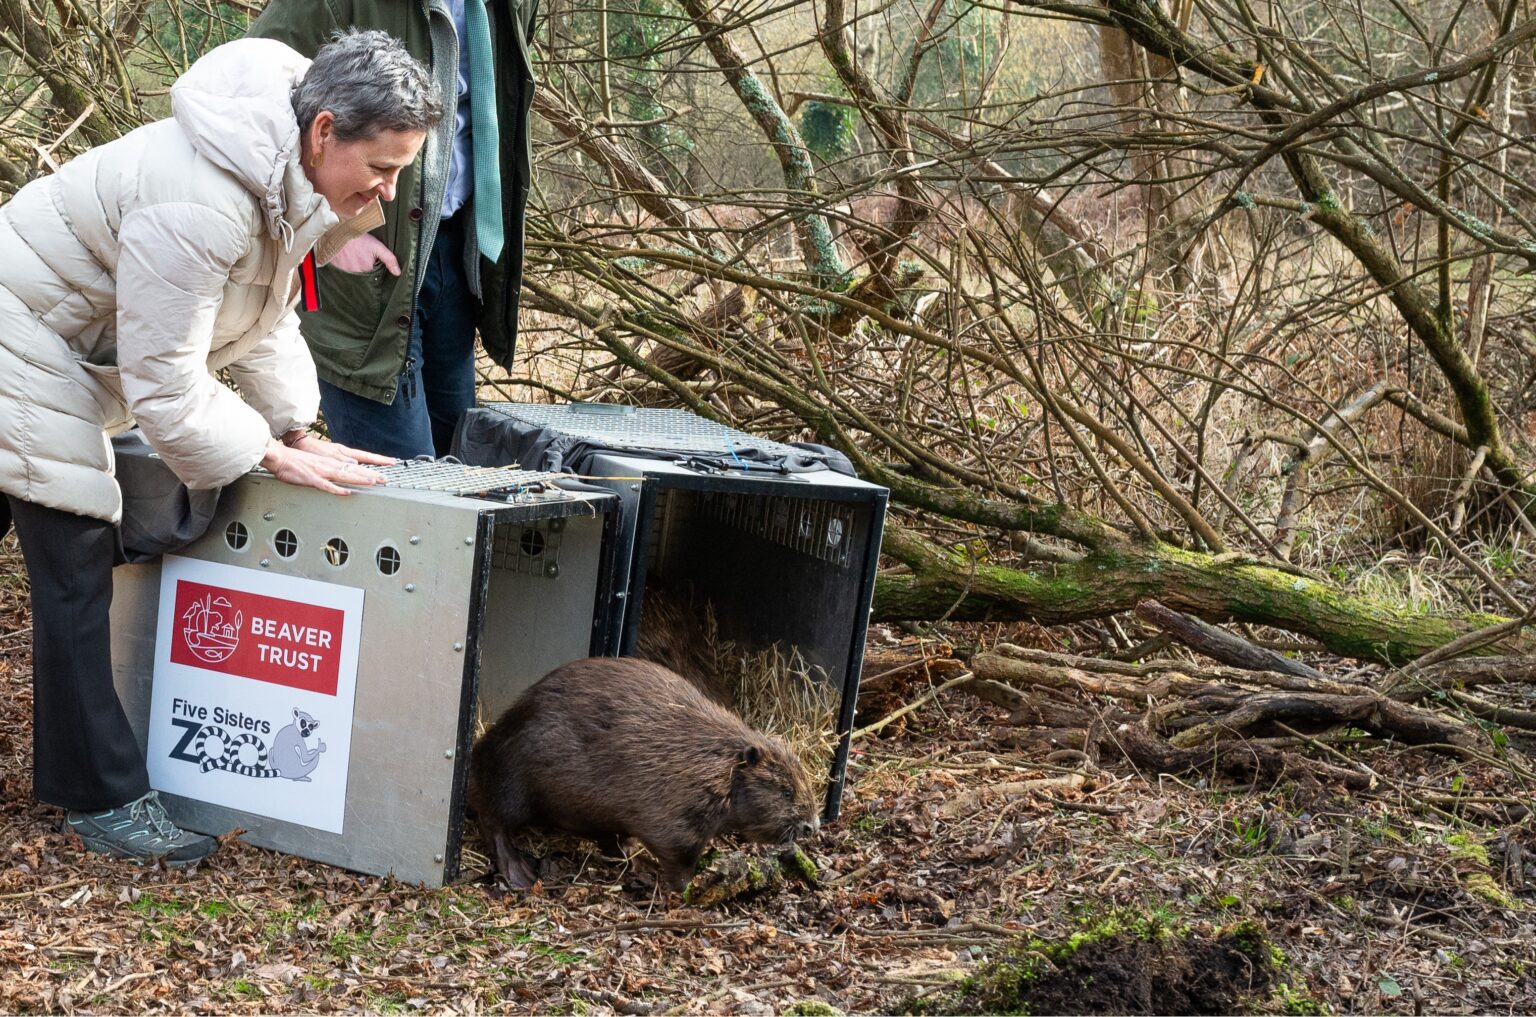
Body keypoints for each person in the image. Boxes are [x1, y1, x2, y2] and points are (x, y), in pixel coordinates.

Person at [0, 30, 443, 864]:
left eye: (399, 172)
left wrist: (297, 424)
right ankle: (102, 801)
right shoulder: (200, 198)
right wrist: (267, 454)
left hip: (60, 342)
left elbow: (262, 318)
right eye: (381, 167)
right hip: (19, 337)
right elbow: (164, 379)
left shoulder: (285, 172)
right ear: (325, 131)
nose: (388, 190)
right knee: (74, 554)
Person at [250, 0, 539, 460]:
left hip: (456, 254)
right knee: (403, 489)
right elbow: (255, 98)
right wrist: (333, 229)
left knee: (457, 470)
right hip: (359, 265)